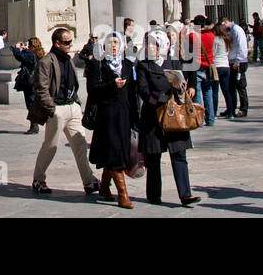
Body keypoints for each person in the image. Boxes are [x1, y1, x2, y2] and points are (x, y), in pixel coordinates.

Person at [28, 29, 99, 196]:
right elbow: (41, 88)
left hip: (72, 106)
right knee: (51, 145)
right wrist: (52, 109)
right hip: (57, 109)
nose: (70, 45)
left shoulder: (68, 59)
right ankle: (38, 178)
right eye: (67, 42)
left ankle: (88, 181)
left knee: (80, 143)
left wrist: (77, 102)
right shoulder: (46, 61)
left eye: (71, 41)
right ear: (57, 43)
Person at [135, 30, 201, 206]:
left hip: (175, 116)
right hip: (153, 117)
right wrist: (162, 96)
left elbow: (184, 86)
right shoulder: (143, 65)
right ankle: (154, 195)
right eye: (147, 43)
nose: (150, 47)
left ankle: (185, 194)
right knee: (154, 157)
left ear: (162, 45)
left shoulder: (173, 62)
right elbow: (143, 91)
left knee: (179, 154)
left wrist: (179, 88)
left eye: (153, 44)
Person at [87, 30, 137, 208]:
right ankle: (123, 195)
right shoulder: (98, 65)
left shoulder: (127, 65)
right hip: (106, 115)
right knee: (115, 153)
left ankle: (104, 187)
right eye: (110, 43)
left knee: (116, 151)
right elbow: (92, 90)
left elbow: (132, 93)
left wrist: (135, 118)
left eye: (116, 42)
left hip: (123, 115)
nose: (113, 46)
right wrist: (111, 85)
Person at [12, 37, 44, 133]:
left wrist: (16, 48)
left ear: (31, 45)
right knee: (33, 101)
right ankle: (34, 124)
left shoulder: (30, 54)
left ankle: (34, 125)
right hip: (37, 80)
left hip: (30, 81)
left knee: (30, 102)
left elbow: (19, 57)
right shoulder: (39, 53)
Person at [192, 16, 217, 125]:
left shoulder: (193, 36)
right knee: (208, 93)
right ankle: (210, 119)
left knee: (197, 94)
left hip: (197, 66)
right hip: (208, 67)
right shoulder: (211, 35)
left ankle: (200, 119)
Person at [224, 17, 249, 118]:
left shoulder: (237, 30)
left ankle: (243, 108)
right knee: (231, 87)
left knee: (240, 86)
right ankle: (231, 107)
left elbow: (242, 46)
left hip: (239, 61)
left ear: (225, 22)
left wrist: (238, 61)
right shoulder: (230, 30)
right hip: (232, 61)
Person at [212, 20, 232, 118]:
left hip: (217, 65)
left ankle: (214, 112)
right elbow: (228, 52)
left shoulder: (216, 40)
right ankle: (231, 112)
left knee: (215, 91)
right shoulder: (227, 39)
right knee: (226, 90)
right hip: (226, 65)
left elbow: (213, 53)